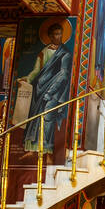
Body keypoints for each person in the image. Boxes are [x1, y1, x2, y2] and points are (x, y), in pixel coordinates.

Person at [18, 21, 73, 155]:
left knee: (48, 116)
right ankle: (33, 148)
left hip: (55, 90)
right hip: (39, 88)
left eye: (60, 34)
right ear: (50, 36)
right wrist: (28, 79)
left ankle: (46, 148)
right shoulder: (44, 51)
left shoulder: (65, 53)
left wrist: (51, 91)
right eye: (55, 34)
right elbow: (37, 69)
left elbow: (64, 74)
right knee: (36, 117)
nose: (58, 37)